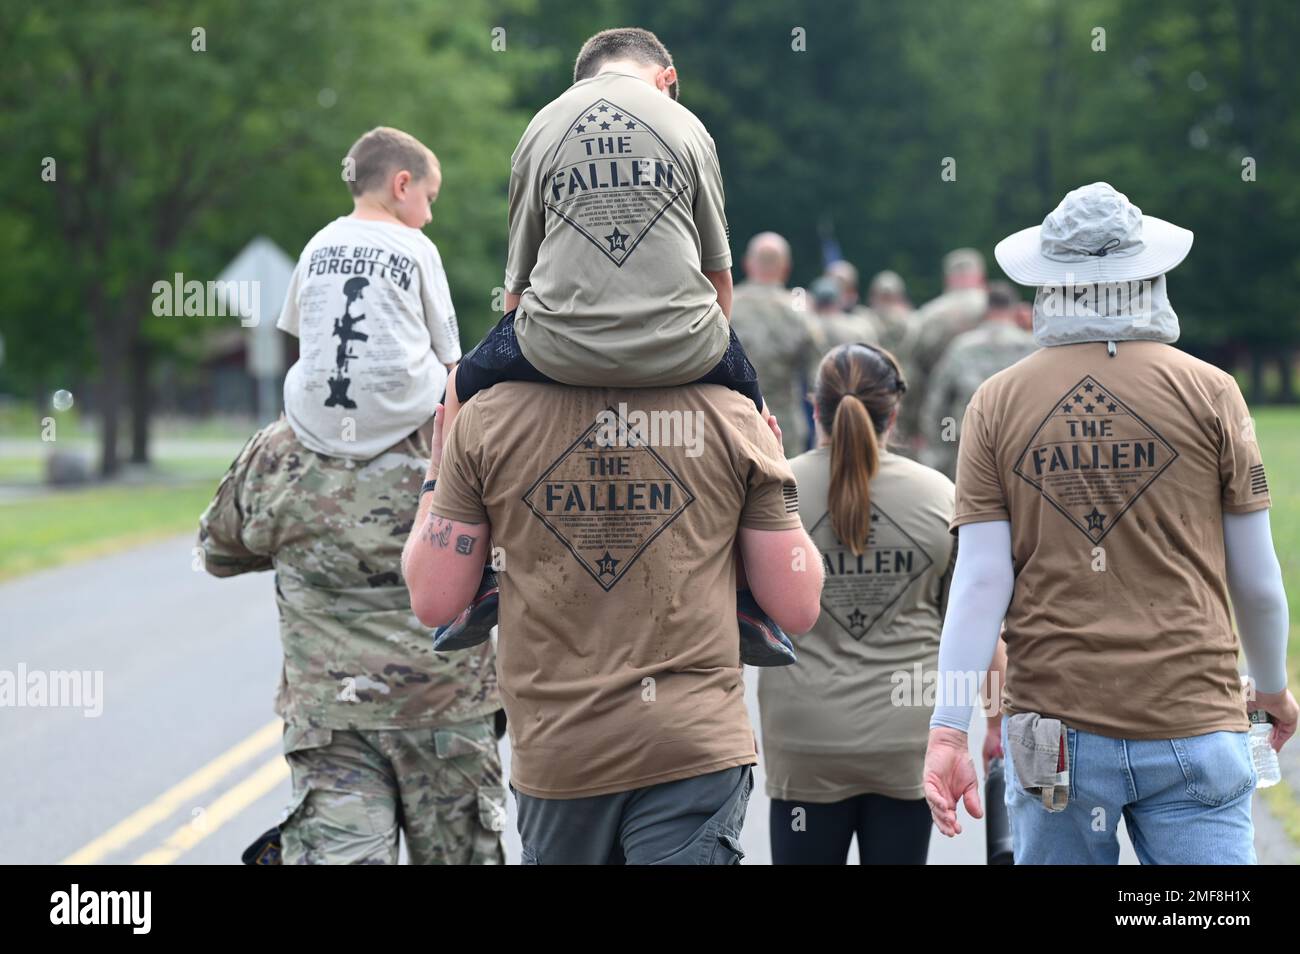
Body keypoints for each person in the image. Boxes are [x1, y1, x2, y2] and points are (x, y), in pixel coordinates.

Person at [923, 182, 1298, 864]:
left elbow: (978, 584)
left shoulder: (995, 403)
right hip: (1195, 722)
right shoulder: (1213, 392)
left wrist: (949, 726)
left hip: (1056, 739)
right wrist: (1271, 688)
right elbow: (1257, 578)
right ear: (1148, 273)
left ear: (1048, 282)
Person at [435, 29, 797, 666]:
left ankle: (479, 575)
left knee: (458, 386)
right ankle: (750, 599)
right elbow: (718, 276)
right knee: (755, 417)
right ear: (665, 75)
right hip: (684, 343)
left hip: (554, 346)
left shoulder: (542, 127)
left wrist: (514, 380)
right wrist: (718, 367)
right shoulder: (686, 126)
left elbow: (516, 283)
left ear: (585, 78)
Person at [403, 382, 824, 864]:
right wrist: (776, 472)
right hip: (691, 747)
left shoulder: (486, 416)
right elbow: (797, 606)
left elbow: (434, 600)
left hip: (560, 752)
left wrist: (437, 475)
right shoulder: (733, 412)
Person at [197, 419, 505, 864]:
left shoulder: (280, 448)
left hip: (331, 724)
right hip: (449, 712)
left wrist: (314, 553)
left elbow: (218, 551)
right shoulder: (462, 429)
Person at [760, 343, 983, 864]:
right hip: (905, 743)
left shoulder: (775, 490)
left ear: (816, 408)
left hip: (804, 740)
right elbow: (964, 624)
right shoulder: (939, 496)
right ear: (895, 412)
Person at [278, 126, 461, 459]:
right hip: (402, 416)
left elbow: (300, 332)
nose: (430, 215)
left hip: (315, 418)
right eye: (429, 198)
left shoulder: (316, 244)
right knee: (447, 372)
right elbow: (449, 355)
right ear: (402, 184)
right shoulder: (418, 247)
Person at [920, 281, 1037, 478]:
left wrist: (944, 448)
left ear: (986, 309)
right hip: (1024, 451)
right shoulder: (1032, 347)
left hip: (969, 452)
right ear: (1015, 309)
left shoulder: (961, 347)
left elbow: (937, 405)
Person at [732, 232, 820, 457]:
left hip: (731, 422)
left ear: (746, 264)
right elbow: (816, 382)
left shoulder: (726, 306)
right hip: (784, 427)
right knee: (785, 491)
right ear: (786, 268)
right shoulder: (800, 311)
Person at [897, 249, 988, 461]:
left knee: (947, 480)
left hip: (943, 419)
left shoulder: (927, 317)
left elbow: (911, 377)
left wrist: (911, 427)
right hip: (996, 417)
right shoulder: (999, 307)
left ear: (948, 277)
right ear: (980, 276)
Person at [867, 269, 913, 357]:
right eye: (884, 298)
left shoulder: (912, 324)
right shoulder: (864, 323)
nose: (887, 304)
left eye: (890, 298)